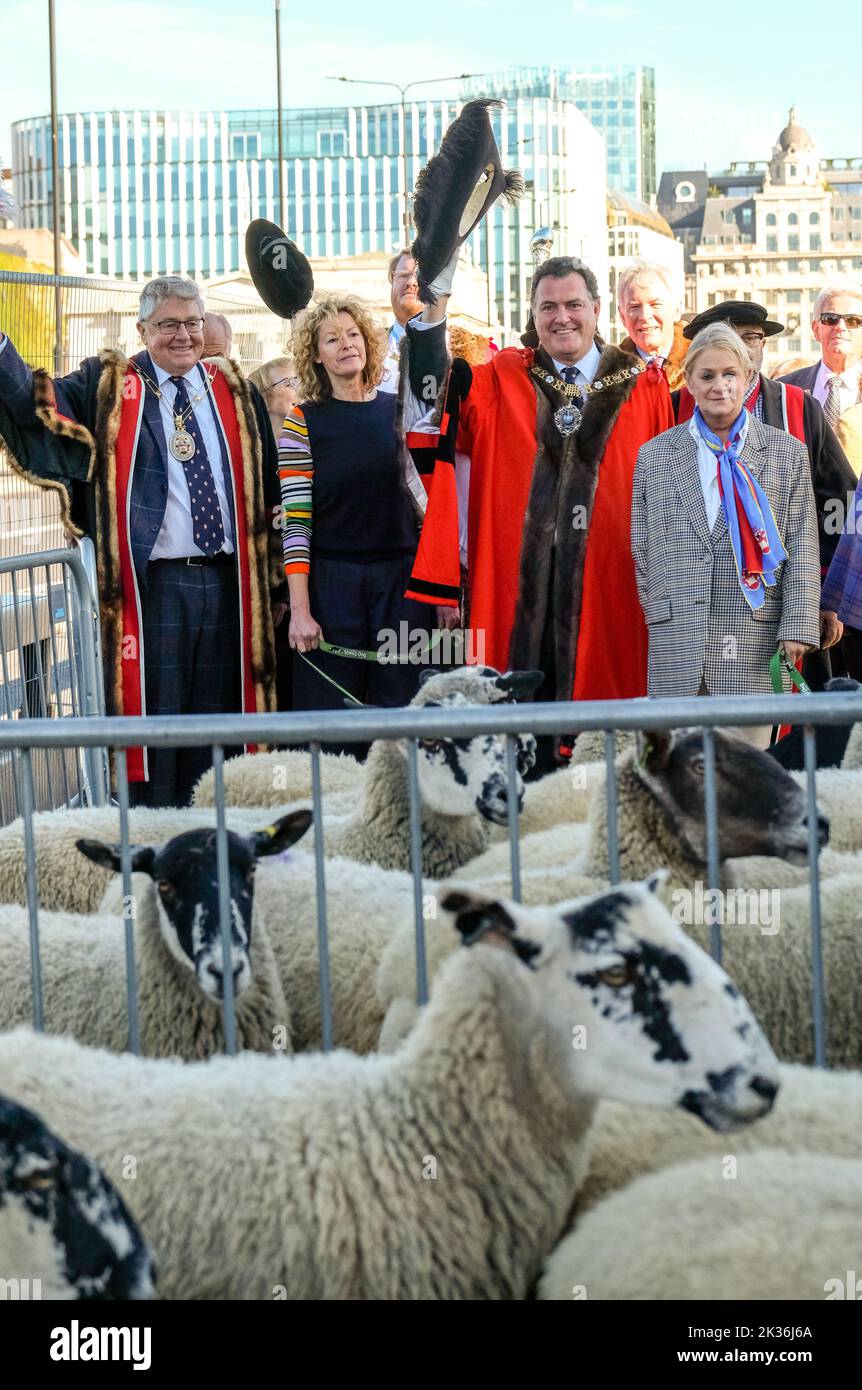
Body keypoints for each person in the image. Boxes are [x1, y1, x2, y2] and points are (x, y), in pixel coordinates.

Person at [0, 276, 283, 806]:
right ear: (143, 329)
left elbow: (268, 484)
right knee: (158, 722)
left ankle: (219, 836)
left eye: (192, 323)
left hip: (231, 584)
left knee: (222, 721)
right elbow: (39, 407)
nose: (183, 335)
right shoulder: (107, 387)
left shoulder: (234, 390)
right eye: (169, 325)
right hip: (151, 587)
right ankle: (157, 837)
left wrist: (281, 580)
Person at [404, 253, 676, 772]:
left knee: (607, 762)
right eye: (547, 306)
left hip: (610, 596)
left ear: (597, 310)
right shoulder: (499, 379)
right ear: (532, 315)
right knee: (514, 753)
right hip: (514, 594)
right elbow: (430, 407)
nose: (562, 317)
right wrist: (429, 315)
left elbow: (669, 498)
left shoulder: (642, 386)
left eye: (574, 304)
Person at [632, 323, 821, 746]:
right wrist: (663, 613)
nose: (720, 386)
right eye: (707, 376)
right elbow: (641, 546)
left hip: (754, 647)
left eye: (730, 374)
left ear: (748, 378)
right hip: (677, 646)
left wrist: (797, 625)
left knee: (746, 793)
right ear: (690, 383)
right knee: (680, 791)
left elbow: (804, 546)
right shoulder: (655, 455)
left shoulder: (787, 454)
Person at [673, 299, 856, 682]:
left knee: (786, 719)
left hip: (787, 594)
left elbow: (838, 501)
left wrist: (828, 594)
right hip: (699, 601)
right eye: (730, 339)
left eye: (752, 338)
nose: (743, 349)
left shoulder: (798, 407)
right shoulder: (674, 408)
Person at [279, 294, 431, 716]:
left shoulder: (402, 412)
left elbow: (429, 511)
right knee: (334, 719)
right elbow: (295, 524)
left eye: (352, 334)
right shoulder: (300, 421)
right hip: (332, 588)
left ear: (367, 342)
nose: (346, 344)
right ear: (316, 356)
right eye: (331, 339)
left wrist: (441, 595)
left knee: (406, 713)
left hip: (404, 587)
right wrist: (300, 611)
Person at [779, 285, 862, 476]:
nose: (841, 327)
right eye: (830, 319)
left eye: (853, 321)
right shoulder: (783, 389)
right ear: (817, 329)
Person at [616, 260, 689, 389]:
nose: (645, 316)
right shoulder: (608, 375)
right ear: (622, 315)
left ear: (676, 310)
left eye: (655, 305)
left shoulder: (701, 364)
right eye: (634, 307)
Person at [378, 250, 424, 395]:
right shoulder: (365, 351)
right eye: (403, 276)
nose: (411, 282)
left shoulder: (462, 349)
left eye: (421, 277)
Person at [248, 355, 299, 443]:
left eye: (300, 380)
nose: (301, 388)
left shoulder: (317, 438)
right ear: (264, 401)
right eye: (289, 383)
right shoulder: (253, 448)